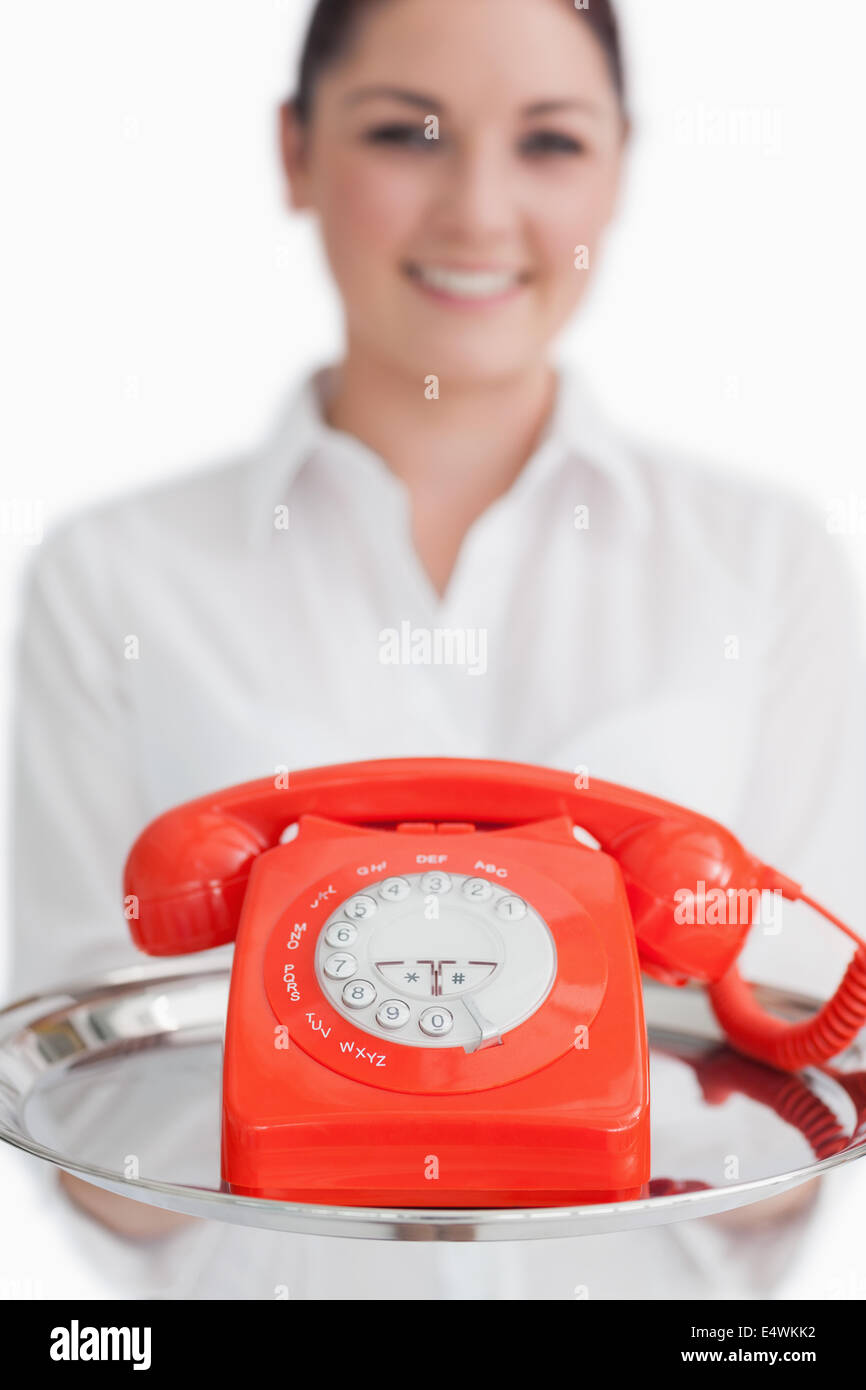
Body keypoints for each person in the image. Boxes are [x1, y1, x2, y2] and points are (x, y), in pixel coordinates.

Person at [9, 0, 865, 1300]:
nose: (475, 209)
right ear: (292, 153)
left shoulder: (769, 561)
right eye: (406, 132)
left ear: (621, 166)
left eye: (549, 142)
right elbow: (95, 1160)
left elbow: (790, 1143)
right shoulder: (112, 572)